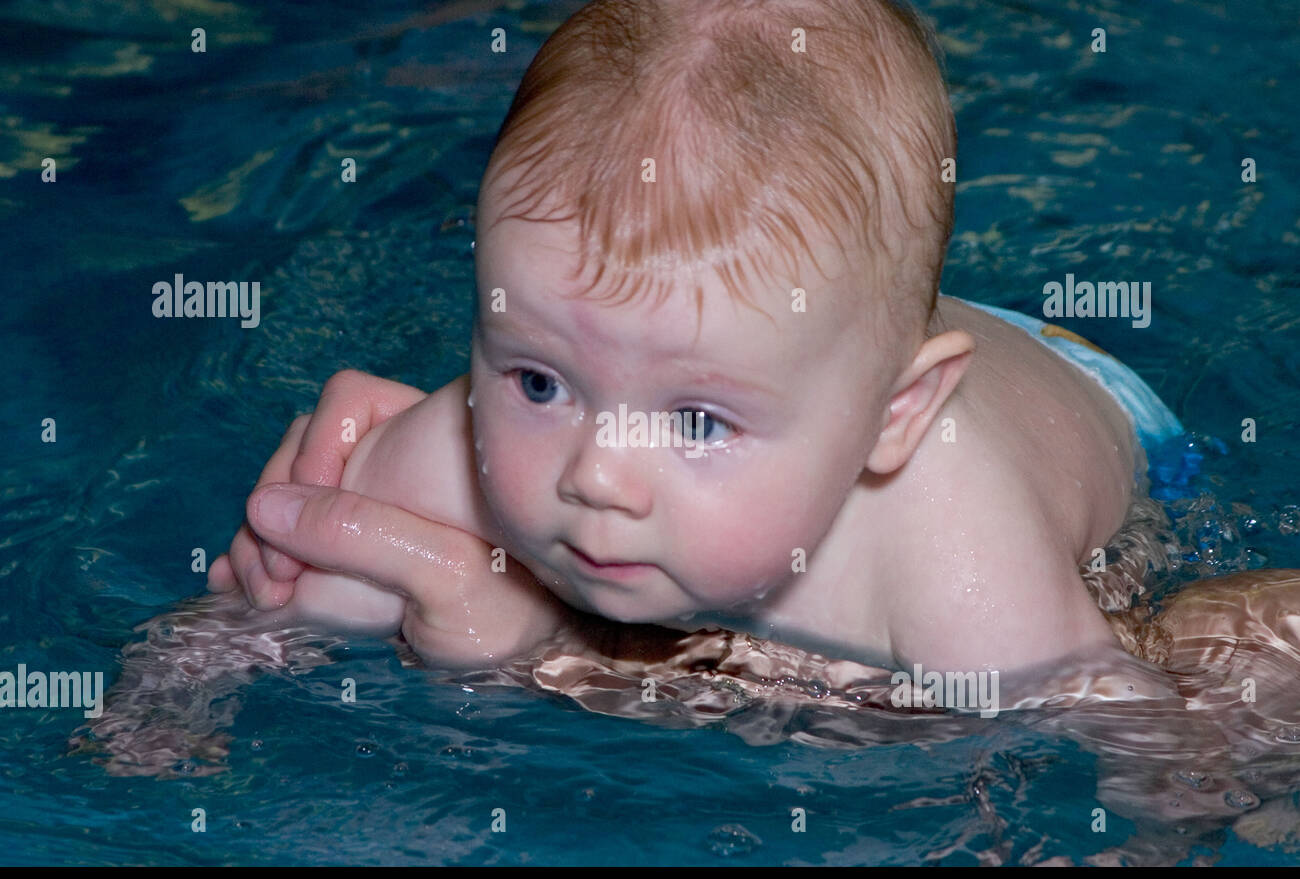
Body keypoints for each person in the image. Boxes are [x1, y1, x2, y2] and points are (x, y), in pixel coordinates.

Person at [204, 0, 1210, 694]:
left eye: (695, 419)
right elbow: (238, 628)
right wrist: (176, 703)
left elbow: (1141, 759)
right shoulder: (450, 462)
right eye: (540, 381)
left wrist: (572, 663)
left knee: (1231, 654)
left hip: (1090, 404)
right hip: (805, 341)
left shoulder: (952, 553)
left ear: (892, 416)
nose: (595, 474)